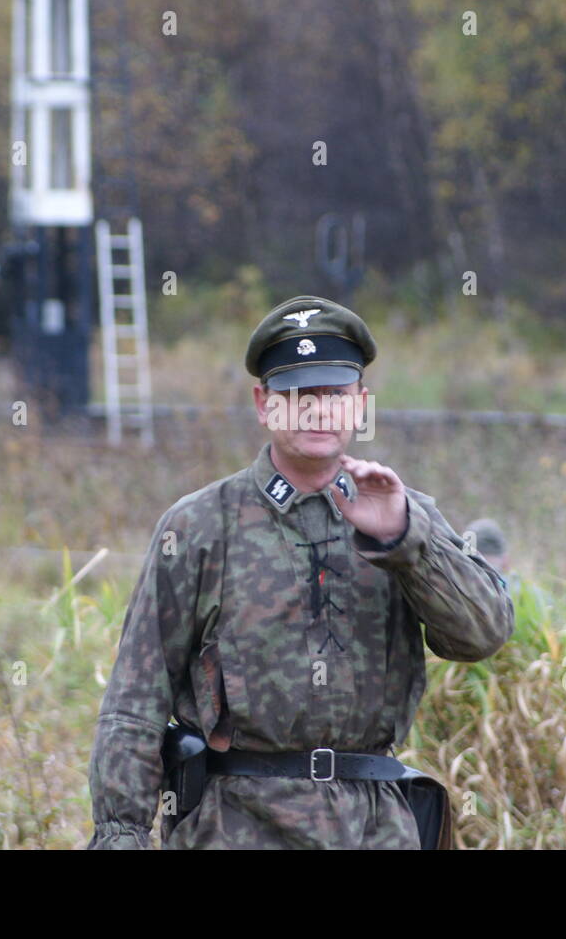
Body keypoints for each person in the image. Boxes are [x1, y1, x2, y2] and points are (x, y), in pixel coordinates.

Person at [87, 295, 515, 849]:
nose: (317, 411)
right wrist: (121, 834)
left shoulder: (402, 514)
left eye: (334, 395)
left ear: (360, 403)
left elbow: (482, 635)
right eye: (297, 396)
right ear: (264, 404)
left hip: (375, 825)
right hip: (236, 824)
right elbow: (135, 700)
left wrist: (405, 539)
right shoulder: (198, 527)